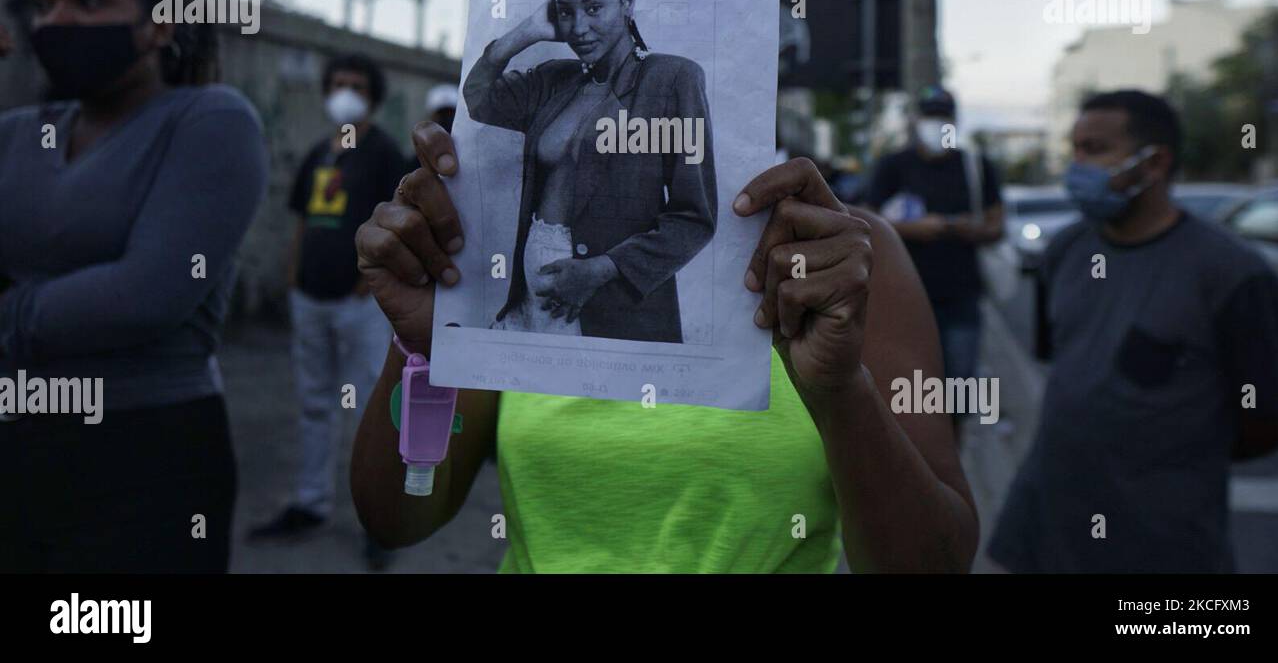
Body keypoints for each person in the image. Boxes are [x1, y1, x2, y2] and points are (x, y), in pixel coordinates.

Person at [350, 122, 979, 572]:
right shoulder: (510, 256)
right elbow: (397, 517)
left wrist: (840, 394)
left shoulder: (843, 262)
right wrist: (425, 348)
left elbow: (935, 558)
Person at [0, 0, 267, 572]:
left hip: (145, 454)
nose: (57, 20)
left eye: (87, 2)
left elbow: (145, 295)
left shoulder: (211, 120)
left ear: (159, 26)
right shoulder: (16, 134)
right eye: (46, 3)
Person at [989, 90, 1278, 573]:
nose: (1078, 166)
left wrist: (1170, 458)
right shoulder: (1066, 250)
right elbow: (1065, 370)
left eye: (1095, 150)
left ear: (1154, 163)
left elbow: (1274, 419)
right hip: (1045, 527)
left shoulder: (1232, 273)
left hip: (1164, 545)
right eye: (1075, 149)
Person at [462, 0, 716, 342]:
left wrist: (603, 269)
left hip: (612, 313)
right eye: (566, 11)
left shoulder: (671, 80)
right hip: (530, 303)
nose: (578, 26)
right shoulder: (554, 81)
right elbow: (478, 99)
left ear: (627, 1)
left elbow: (693, 218)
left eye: (594, 8)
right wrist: (527, 32)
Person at [248, 53, 407, 566]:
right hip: (309, 298)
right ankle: (310, 503)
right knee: (315, 403)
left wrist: (370, 285)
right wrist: (292, 274)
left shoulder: (385, 154)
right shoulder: (321, 151)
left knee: (367, 411)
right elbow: (303, 220)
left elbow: (401, 224)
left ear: (373, 97)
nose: (343, 91)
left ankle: (378, 520)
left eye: (355, 85)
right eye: (336, 83)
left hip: (359, 305)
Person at [862, 86, 1003, 423]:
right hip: (902, 296)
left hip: (961, 297)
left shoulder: (976, 167)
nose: (936, 124)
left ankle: (953, 462)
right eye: (929, 116)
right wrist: (914, 229)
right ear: (915, 120)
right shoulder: (893, 166)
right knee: (906, 394)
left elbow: (997, 226)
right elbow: (866, 221)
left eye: (943, 117)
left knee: (959, 392)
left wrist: (966, 228)